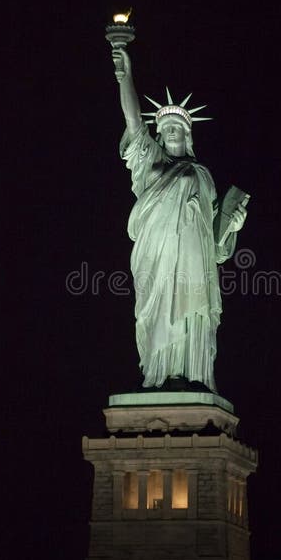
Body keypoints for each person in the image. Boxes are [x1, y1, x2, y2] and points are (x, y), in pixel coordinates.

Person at [112, 45, 247, 392]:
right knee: (157, 311)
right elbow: (131, 120)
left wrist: (232, 226)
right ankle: (160, 373)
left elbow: (216, 245)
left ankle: (195, 374)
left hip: (195, 259)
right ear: (158, 134)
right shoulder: (152, 164)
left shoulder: (203, 175)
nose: (172, 131)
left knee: (193, 311)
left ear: (188, 135)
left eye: (178, 127)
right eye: (166, 127)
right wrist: (124, 74)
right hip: (157, 258)